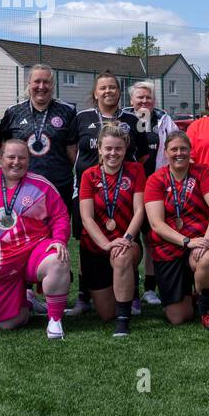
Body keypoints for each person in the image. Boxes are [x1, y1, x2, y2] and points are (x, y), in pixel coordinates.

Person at [0, 138, 72, 338]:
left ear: (29, 160)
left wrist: (59, 239)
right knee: (8, 323)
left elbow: (60, 215)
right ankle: (27, 301)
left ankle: (54, 321)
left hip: (33, 251)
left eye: (22, 158)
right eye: (11, 157)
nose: (16, 162)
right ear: (0, 158)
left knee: (57, 259)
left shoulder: (41, 185)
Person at [69, 72, 147, 316]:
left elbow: (143, 152)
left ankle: (131, 295)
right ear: (95, 92)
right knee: (86, 239)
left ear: (119, 92)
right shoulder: (81, 117)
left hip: (124, 189)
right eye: (103, 88)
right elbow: (71, 147)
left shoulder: (133, 119)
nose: (108, 91)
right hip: (88, 188)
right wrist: (84, 168)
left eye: (113, 87)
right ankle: (84, 295)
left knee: (128, 244)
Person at [144, 131, 209, 331]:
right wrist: (187, 241)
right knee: (178, 317)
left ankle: (207, 311)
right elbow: (156, 224)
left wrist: (207, 240)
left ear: (191, 151)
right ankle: (191, 295)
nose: (179, 153)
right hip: (169, 246)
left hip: (199, 242)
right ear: (166, 152)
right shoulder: (156, 179)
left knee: (207, 257)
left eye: (183, 149)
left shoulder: (202, 172)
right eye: (174, 149)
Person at [78, 123, 146, 337]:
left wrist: (126, 238)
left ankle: (123, 320)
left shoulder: (135, 170)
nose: (112, 153)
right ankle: (126, 292)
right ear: (99, 148)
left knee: (122, 256)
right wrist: (106, 244)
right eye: (108, 148)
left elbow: (139, 209)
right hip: (95, 247)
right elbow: (87, 218)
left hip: (126, 243)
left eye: (118, 148)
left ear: (125, 149)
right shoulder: (89, 175)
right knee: (106, 313)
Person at [124, 79, 177, 309]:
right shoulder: (124, 119)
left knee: (152, 238)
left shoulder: (164, 119)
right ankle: (131, 291)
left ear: (154, 100)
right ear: (131, 100)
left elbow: (175, 145)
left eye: (148, 97)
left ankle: (150, 289)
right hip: (128, 187)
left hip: (156, 187)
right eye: (140, 97)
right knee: (130, 237)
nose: (144, 101)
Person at [0, 64, 78, 210]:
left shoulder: (68, 111)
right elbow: (2, 148)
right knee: (24, 230)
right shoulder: (13, 112)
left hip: (59, 184)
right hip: (22, 184)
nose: (41, 86)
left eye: (46, 82)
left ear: (53, 85)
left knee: (59, 228)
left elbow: (72, 149)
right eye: (37, 81)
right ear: (29, 83)